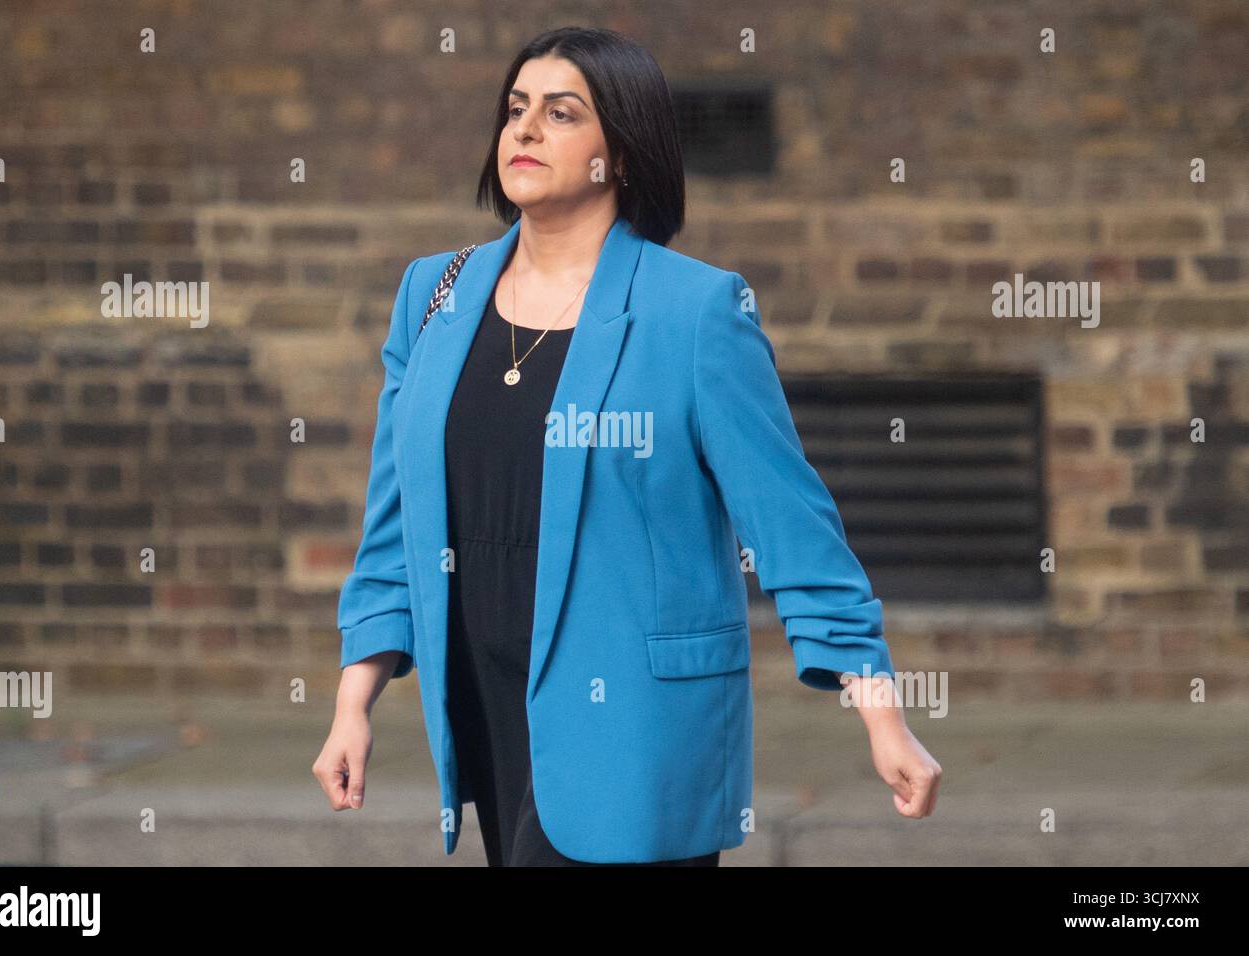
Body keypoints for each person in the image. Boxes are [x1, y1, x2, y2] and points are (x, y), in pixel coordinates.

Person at [314, 26, 941, 866]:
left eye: (561, 113)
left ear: (626, 152)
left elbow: (792, 527)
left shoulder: (696, 312)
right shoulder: (435, 294)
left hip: (636, 724)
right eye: (515, 109)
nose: (525, 131)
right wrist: (354, 702)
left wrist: (882, 714)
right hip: (488, 704)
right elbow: (395, 520)